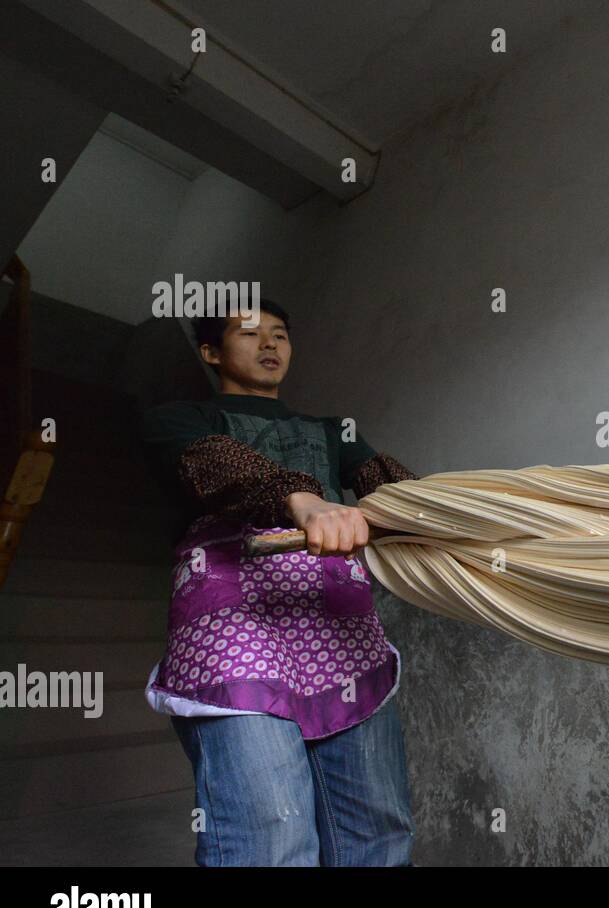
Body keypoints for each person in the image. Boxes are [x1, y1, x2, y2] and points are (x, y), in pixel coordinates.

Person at [137, 299, 418, 866]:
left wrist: (462, 514)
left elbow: (394, 490)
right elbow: (214, 465)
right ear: (211, 352)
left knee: (377, 831)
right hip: (234, 625)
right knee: (268, 834)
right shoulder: (181, 420)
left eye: (280, 334)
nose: (270, 344)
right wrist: (306, 501)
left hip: (338, 620)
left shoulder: (332, 429)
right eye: (250, 334)